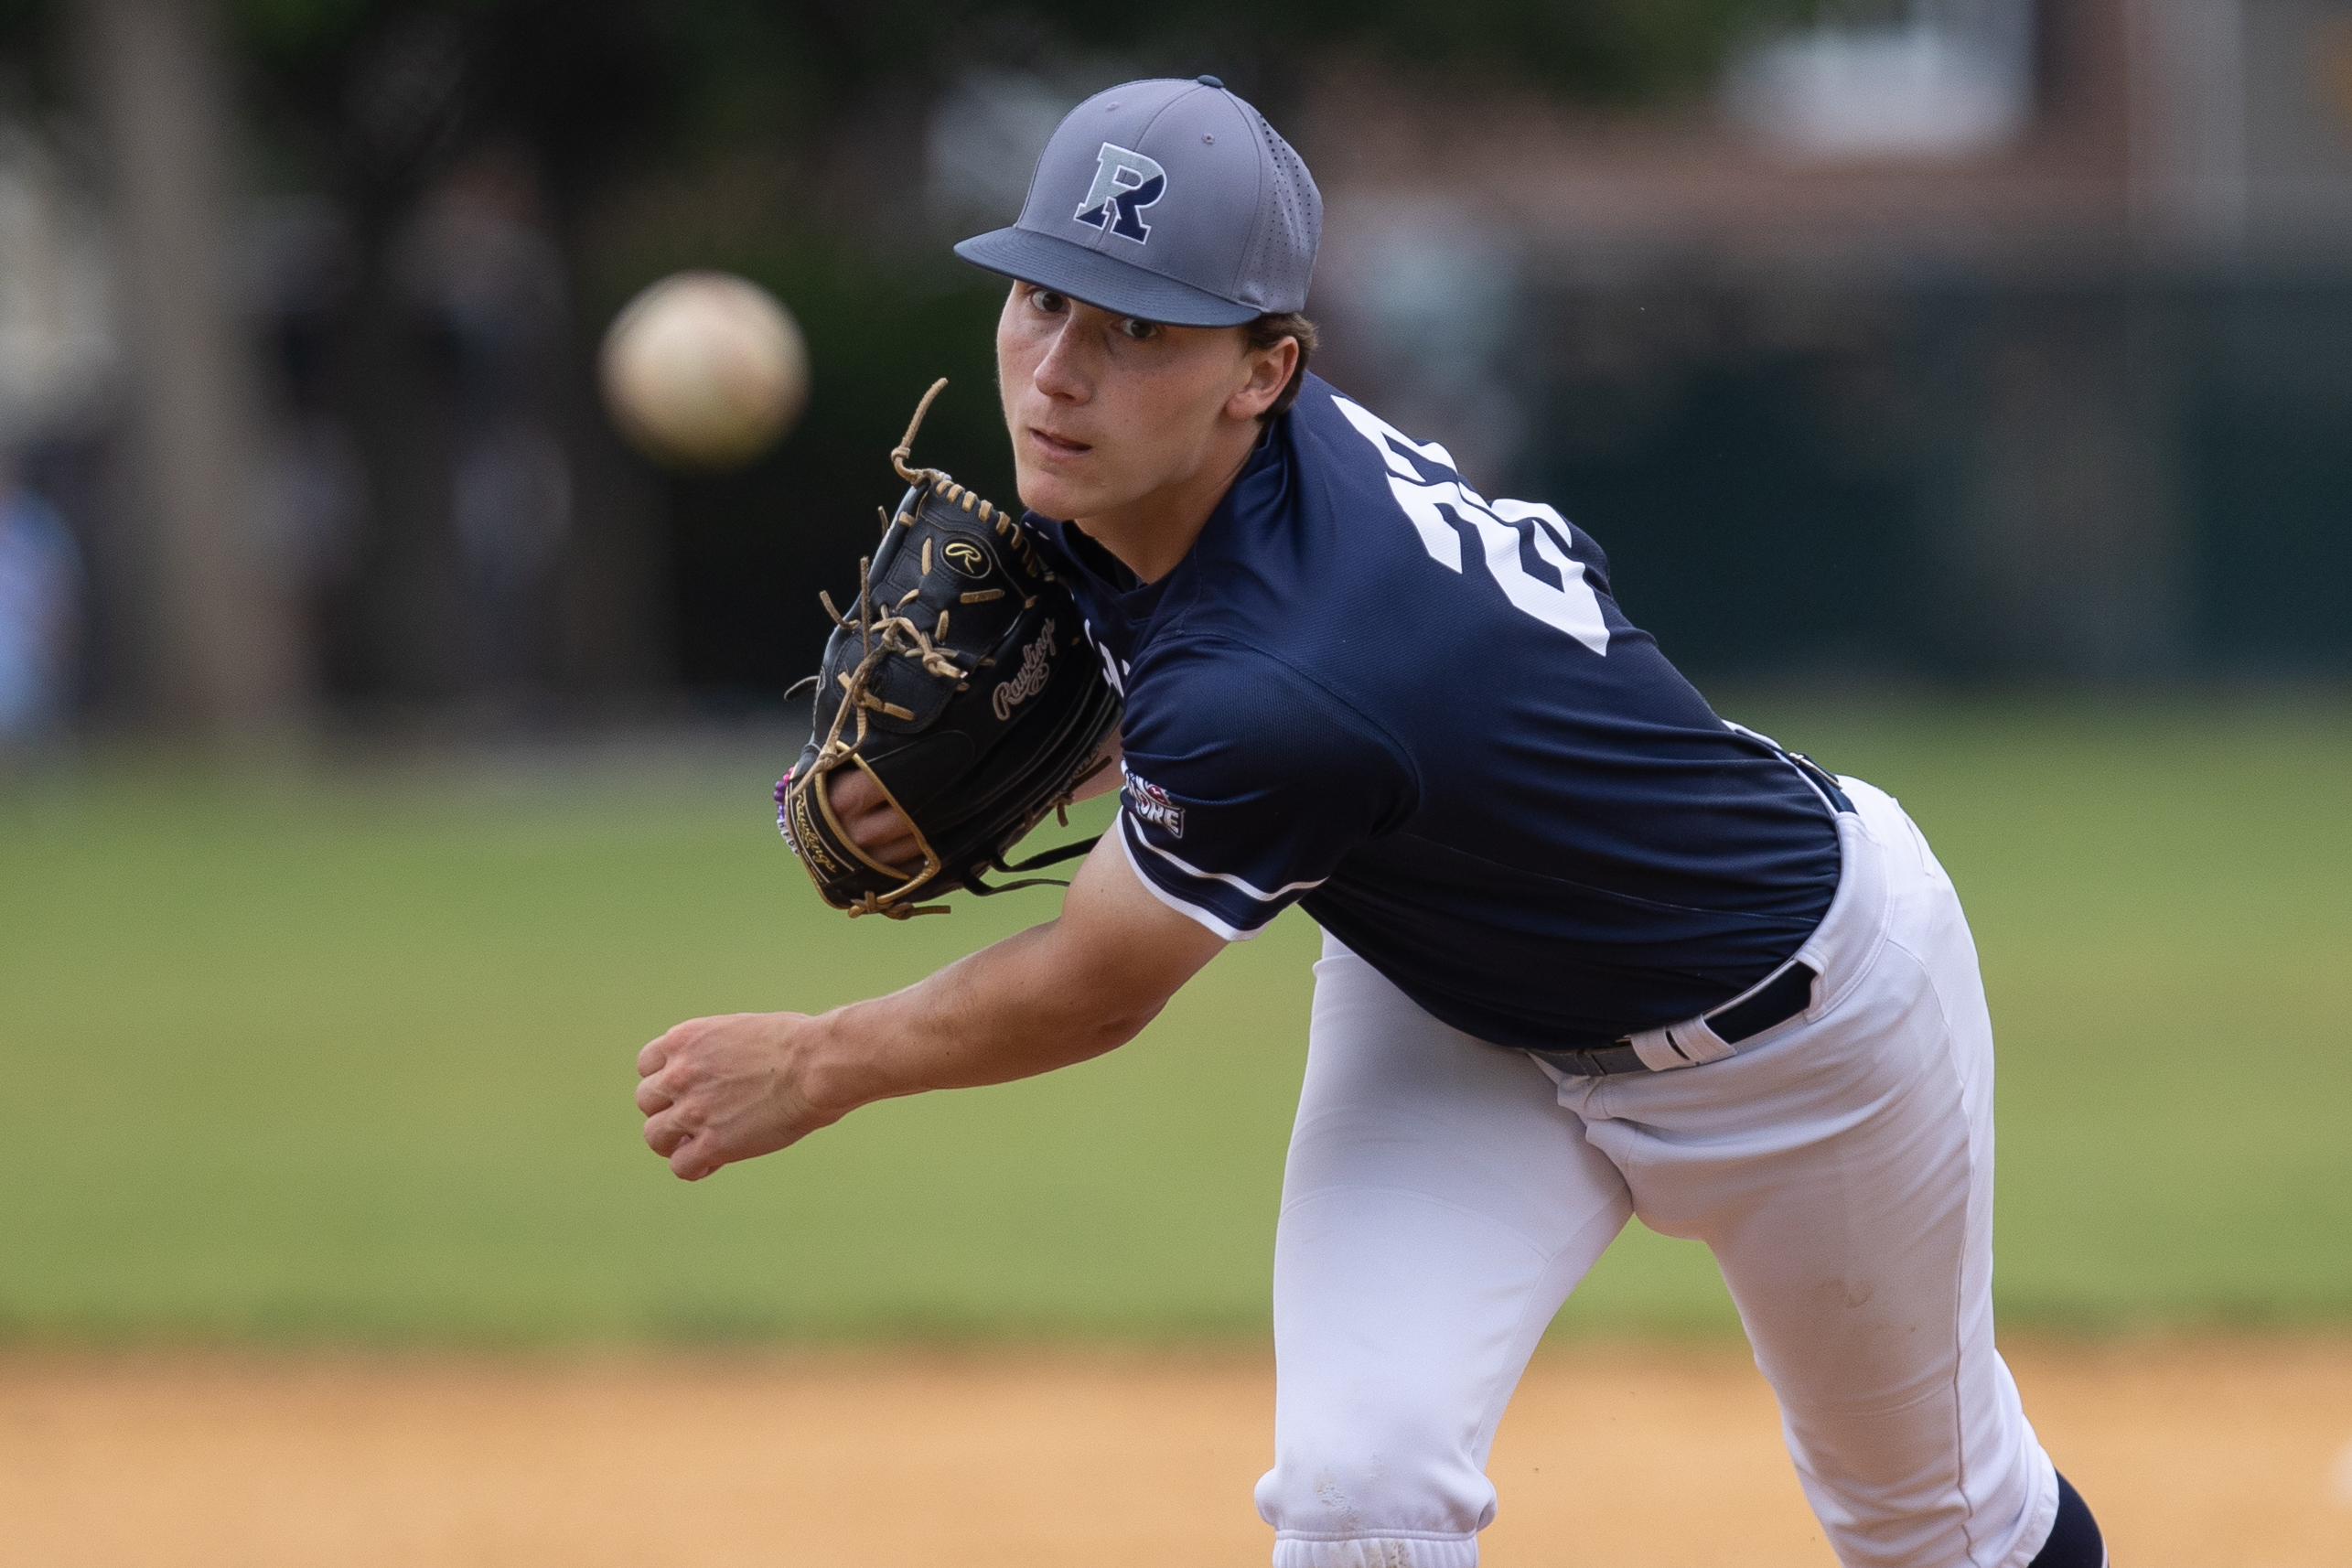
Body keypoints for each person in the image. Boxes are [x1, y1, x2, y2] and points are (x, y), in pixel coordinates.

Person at [635, 78, 2107, 1568]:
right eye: (1041, 299)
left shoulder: (1290, 682)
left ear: (1265, 369)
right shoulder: (1166, 500)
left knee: (1940, 1530)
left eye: (1135, 326)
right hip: (1454, 995)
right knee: (1359, 1491)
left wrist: (820, 1061)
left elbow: (1094, 986)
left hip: (1802, 1028)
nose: (1057, 373)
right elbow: (1223, 697)